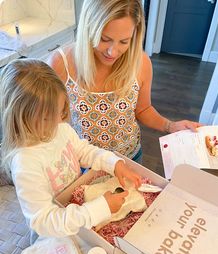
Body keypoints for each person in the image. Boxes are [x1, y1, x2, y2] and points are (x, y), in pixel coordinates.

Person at [0, 58, 141, 242]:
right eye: (47, 118)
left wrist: (114, 164)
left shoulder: (60, 128)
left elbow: (84, 151)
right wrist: (99, 208)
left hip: (78, 211)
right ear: (20, 117)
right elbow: (44, 221)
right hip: (56, 234)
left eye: (60, 111)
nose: (59, 120)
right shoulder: (25, 162)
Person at [47, 0, 201, 163]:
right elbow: (52, 121)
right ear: (88, 29)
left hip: (130, 158)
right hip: (84, 162)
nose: (112, 52)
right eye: (104, 39)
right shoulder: (60, 64)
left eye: (124, 42)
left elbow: (143, 109)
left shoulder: (140, 63)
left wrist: (171, 126)